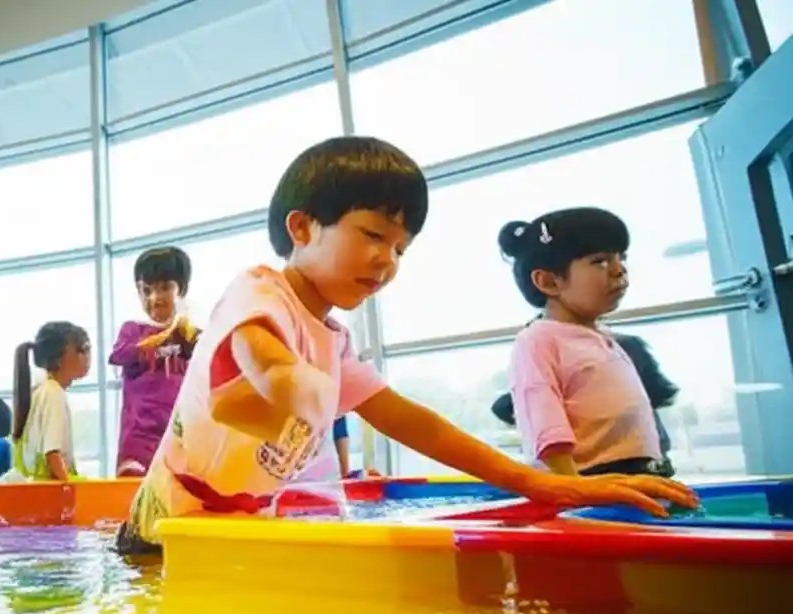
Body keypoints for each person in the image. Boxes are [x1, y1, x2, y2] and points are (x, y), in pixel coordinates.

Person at [116, 137, 697, 554]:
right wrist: (299, 389)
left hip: (232, 528)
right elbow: (261, 358)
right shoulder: (259, 290)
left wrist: (540, 482)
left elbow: (416, 424)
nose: (386, 261)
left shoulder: (334, 343)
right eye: (372, 235)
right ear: (302, 228)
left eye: (400, 249)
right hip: (163, 522)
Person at [496, 208, 676, 478]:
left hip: (640, 478)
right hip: (589, 482)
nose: (619, 270)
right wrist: (575, 488)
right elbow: (545, 422)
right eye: (600, 261)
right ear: (548, 281)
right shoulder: (538, 340)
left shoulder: (606, 339)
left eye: (621, 257)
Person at [109, 246, 198, 476]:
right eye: (146, 290)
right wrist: (167, 337)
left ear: (182, 289)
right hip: (138, 445)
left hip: (180, 442)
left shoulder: (192, 336)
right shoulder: (133, 331)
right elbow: (121, 355)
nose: (155, 299)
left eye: (165, 288)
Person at [10, 321, 92, 481]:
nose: (88, 356)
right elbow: (52, 455)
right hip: (48, 493)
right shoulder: (53, 393)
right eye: (84, 349)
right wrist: (70, 485)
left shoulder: (36, 391)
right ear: (63, 357)